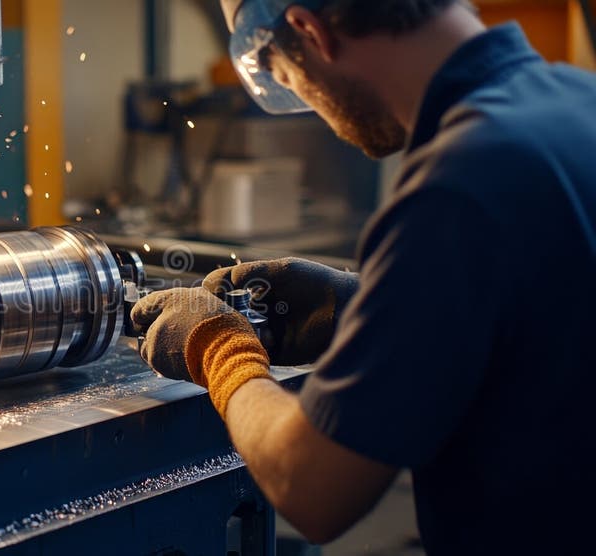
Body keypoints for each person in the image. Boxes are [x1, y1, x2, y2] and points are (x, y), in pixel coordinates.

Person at [130, 0, 596, 553]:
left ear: (309, 30)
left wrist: (217, 346)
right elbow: (542, 320)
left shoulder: (454, 186)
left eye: (284, 75)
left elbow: (310, 486)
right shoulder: (576, 101)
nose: (307, 102)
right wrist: (363, 307)